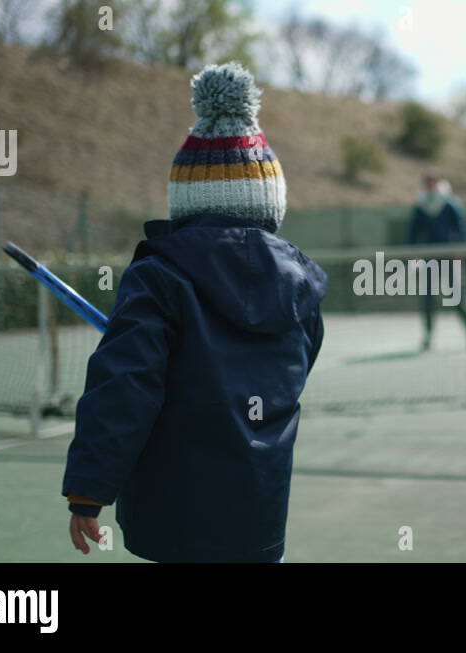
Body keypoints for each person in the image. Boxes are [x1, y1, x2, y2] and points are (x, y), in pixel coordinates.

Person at [61, 63, 327, 563]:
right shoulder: (300, 286)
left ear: (182, 203)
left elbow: (123, 386)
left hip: (171, 520)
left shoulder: (158, 276)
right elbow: (298, 365)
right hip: (260, 517)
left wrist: (88, 490)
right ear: (272, 205)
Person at [407, 173, 466, 350]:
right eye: (427, 183)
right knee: (428, 299)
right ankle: (428, 336)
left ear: (438, 183)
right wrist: (413, 253)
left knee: (458, 297)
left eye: (433, 182)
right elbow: (413, 233)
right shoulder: (421, 206)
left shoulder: (450, 203)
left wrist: (460, 250)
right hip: (430, 259)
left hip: (450, 257)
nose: (430, 185)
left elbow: (462, 228)